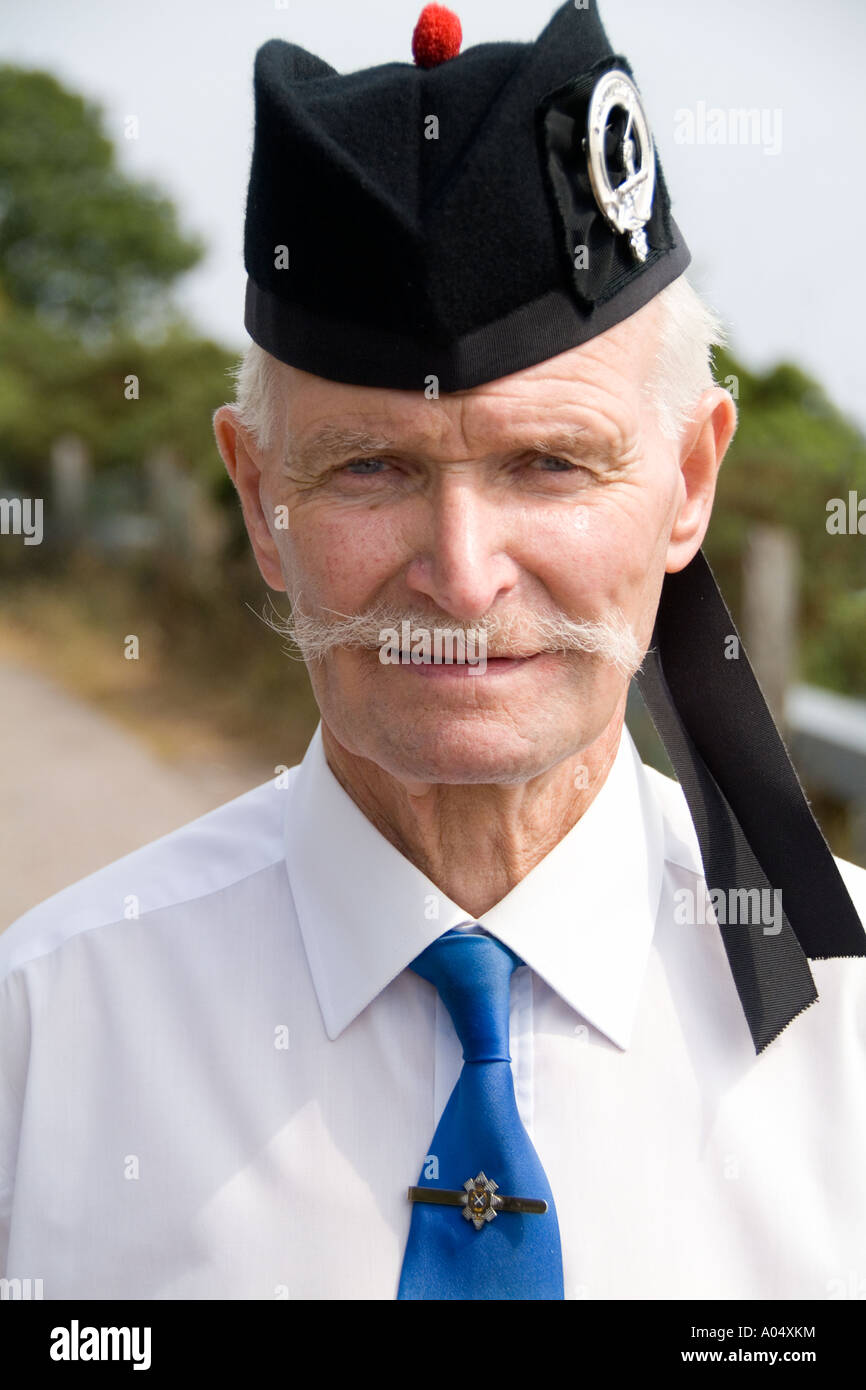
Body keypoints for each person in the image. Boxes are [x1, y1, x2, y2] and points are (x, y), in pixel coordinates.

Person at [1, 1, 865, 1301]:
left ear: (689, 479)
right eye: (369, 468)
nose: (460, 576)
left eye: (548, 462)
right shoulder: (44, 1039)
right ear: (259, 503)